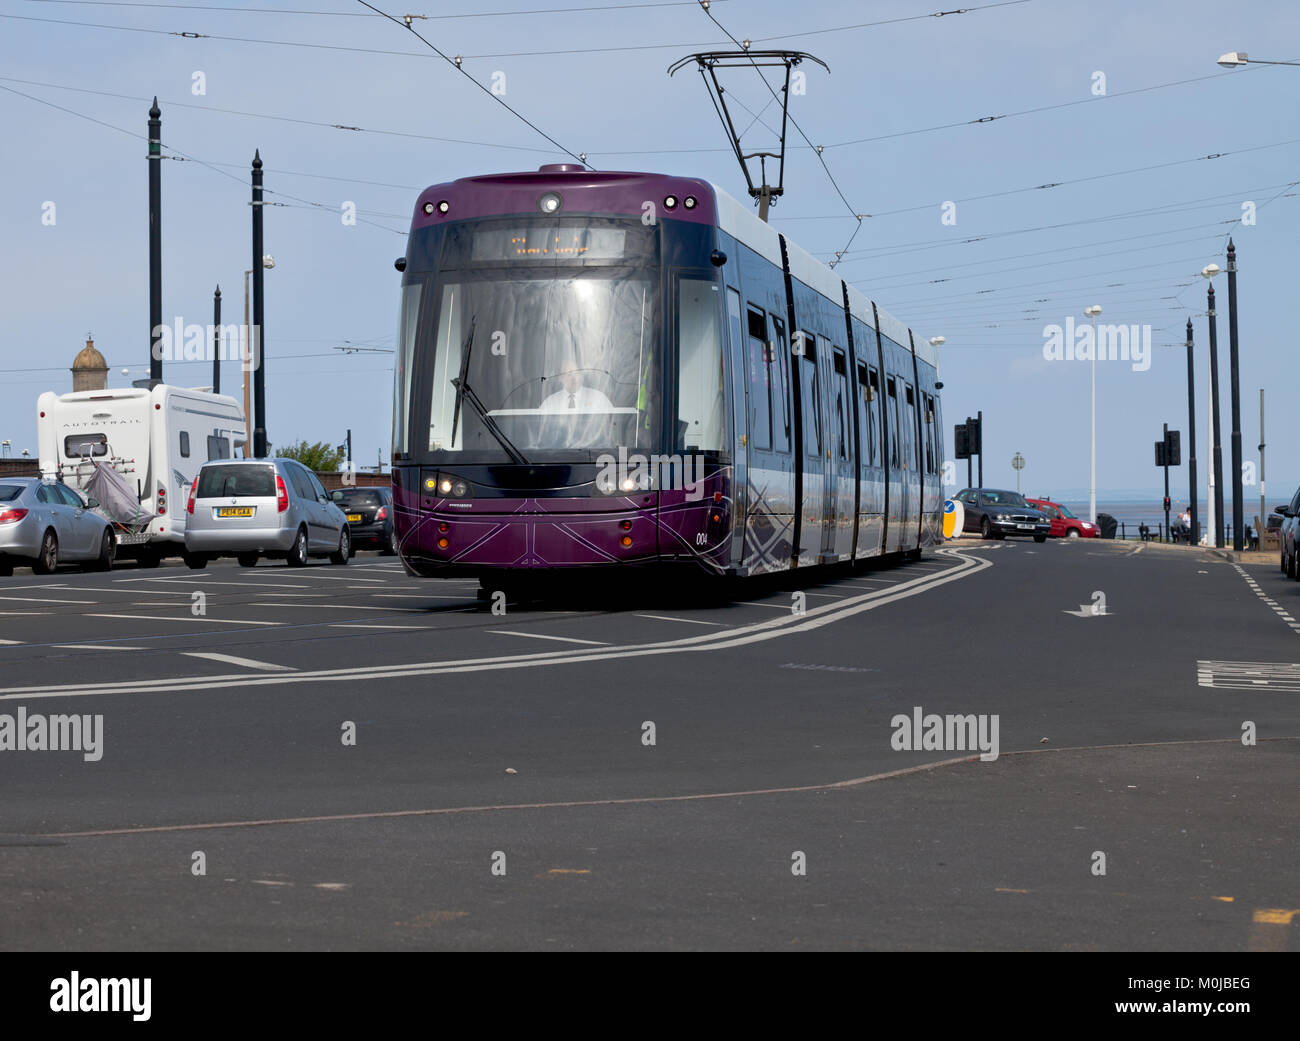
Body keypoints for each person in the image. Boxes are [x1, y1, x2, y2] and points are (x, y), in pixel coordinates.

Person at [539, 363, 613, 413]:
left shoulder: (598, 398)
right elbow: (539, 425)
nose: (573, 378)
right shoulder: (550, 402)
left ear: (582, 376)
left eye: (577, 373)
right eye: (569, 374)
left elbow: (612, 422)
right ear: (560, 378)